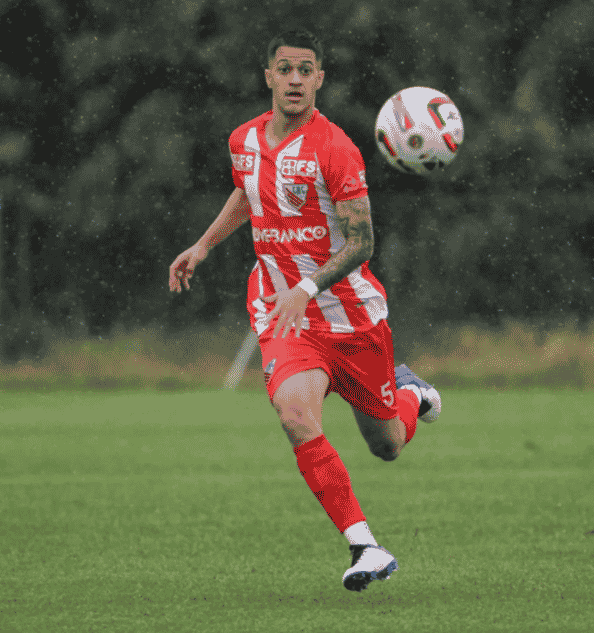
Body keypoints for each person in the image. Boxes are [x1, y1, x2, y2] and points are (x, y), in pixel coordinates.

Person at [168, 29, 441, 592]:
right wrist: (203, 245)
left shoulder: (336, 149)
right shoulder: (243, 139)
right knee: (295, 414)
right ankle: (365, 546)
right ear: (268, 75)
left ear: (320, 79)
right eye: (285, 69)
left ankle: (412, 393)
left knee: (387, 444)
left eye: (305, 70)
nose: (295, 80)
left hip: (351, 318)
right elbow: (249, 192)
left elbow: (362, 243)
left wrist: (309, 285)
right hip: (284, 314)